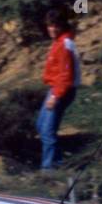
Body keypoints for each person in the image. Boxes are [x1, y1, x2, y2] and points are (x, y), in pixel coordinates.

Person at [37, 11, 80, 171]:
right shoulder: (59, 41)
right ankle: (58, 162)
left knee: (47, 131)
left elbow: (65, 74)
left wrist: (55, 96)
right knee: (41, 125)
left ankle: (48, 169)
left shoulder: (64, 44)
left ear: (62, 26)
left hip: (61, 90)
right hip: (55, 89)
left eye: (55, 25)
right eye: (49, 25)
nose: (52, 29)